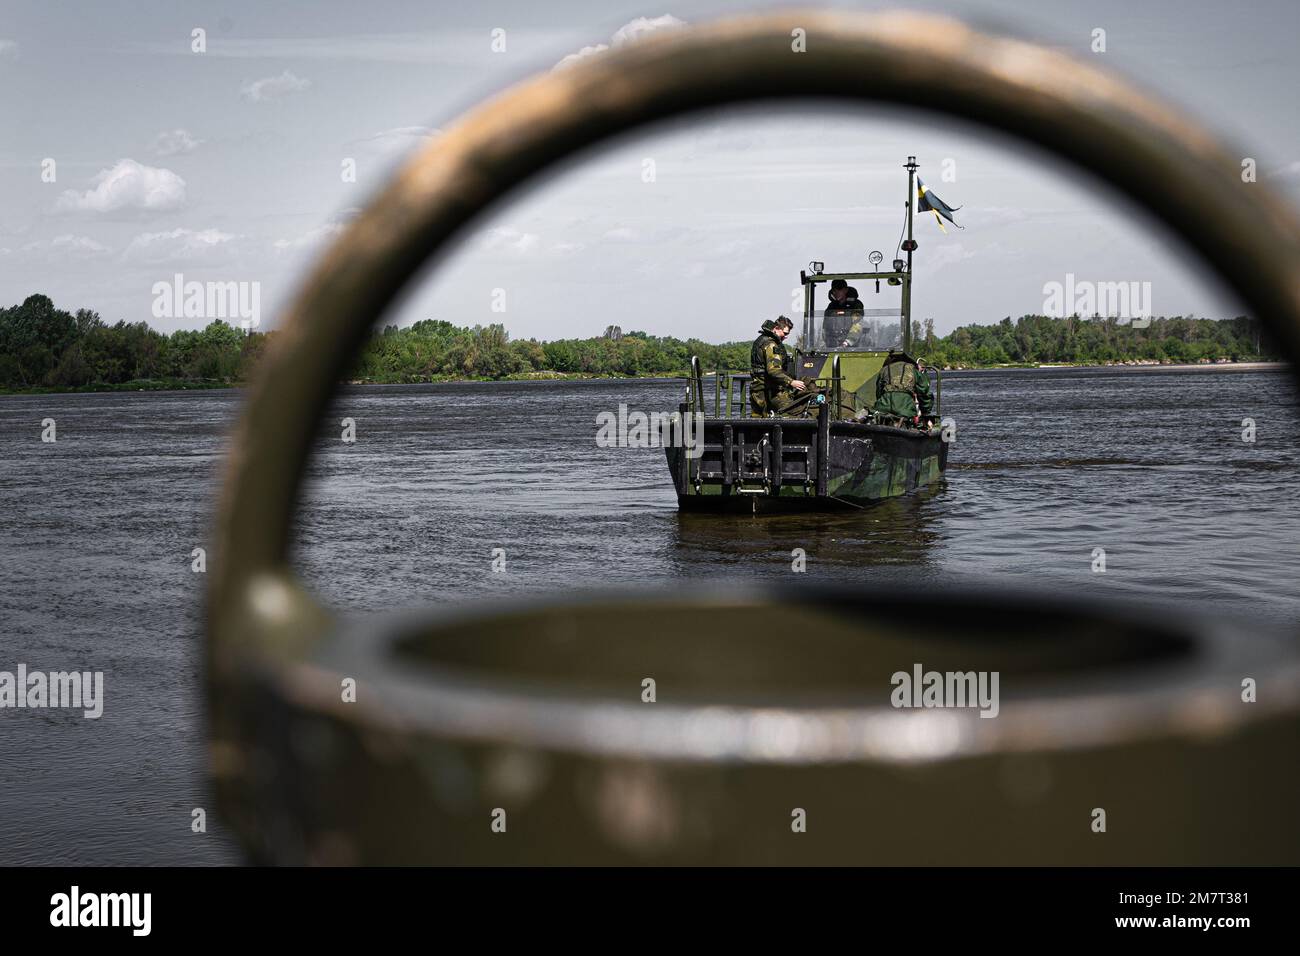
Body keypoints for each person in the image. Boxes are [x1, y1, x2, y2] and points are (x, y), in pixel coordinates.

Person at [750, 316, 806, 417]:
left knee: (757, 419)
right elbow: (774, 371)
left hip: (758, 390)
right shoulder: (771, 345)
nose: (785, 337)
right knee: (793, 413)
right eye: (785, 333)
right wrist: (791, 382)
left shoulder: (761, 340)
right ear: (776, 328)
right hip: (768, 390)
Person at [871, 352, 934, 425]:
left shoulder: (884, 370)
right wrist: (926, 413)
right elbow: (924, 393)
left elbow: (879, 392)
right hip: (905, 409)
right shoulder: (913, 370)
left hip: (882, 407)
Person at [822, 279, 866, 347]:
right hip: (833, 346)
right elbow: (826, 327)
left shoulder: (856, 305)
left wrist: (847, 342)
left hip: (853, 347)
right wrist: (826, 343)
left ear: (846, 290)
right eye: (834, 290)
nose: (836, 292)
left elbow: (857, 324)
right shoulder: (831, 306)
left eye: (839, 289)